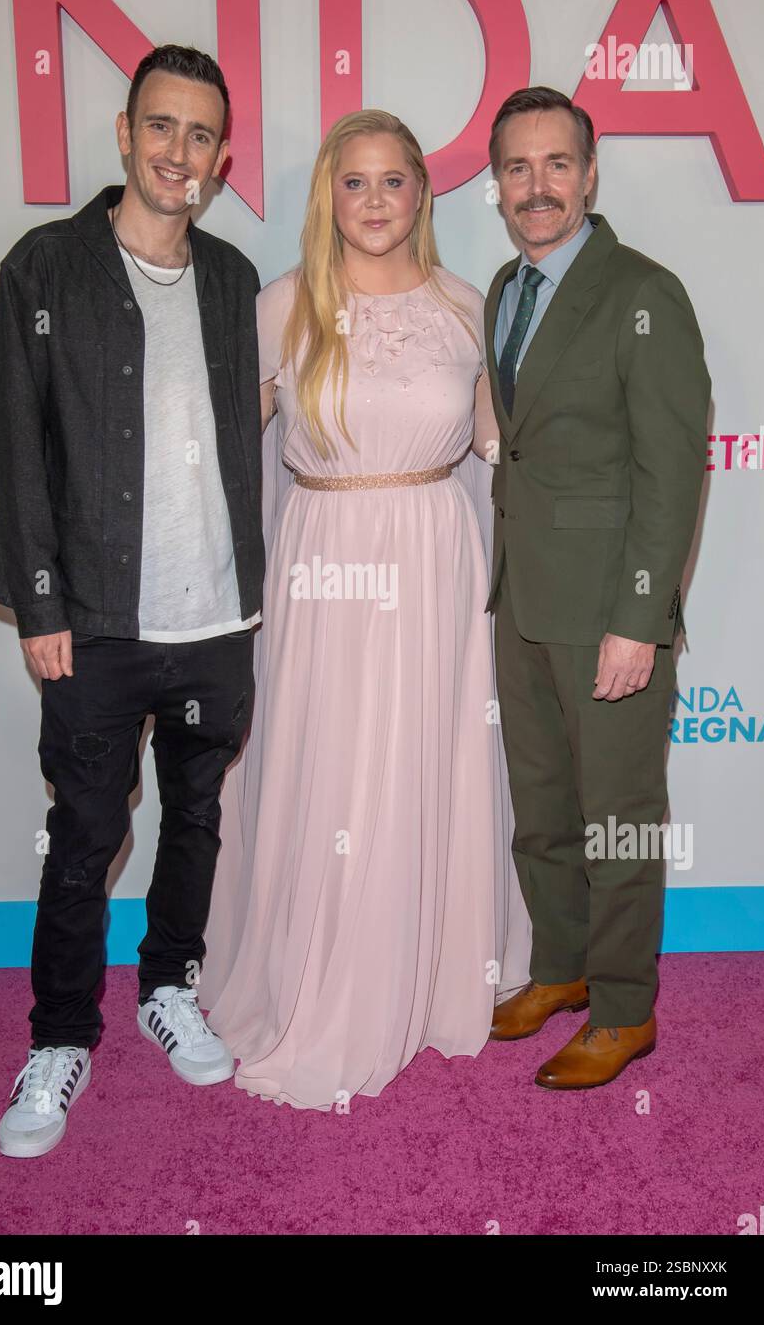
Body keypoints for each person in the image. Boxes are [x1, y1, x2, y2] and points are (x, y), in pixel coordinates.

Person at [205, 109, 531, 1111]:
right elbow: (220, 447)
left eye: (395, 181)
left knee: (426, 757)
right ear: (327, 195)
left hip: (434, 563)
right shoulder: (285, 305)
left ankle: (436, 971)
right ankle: (319, 980)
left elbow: (499, 453)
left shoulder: (468, 304)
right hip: (325, 565)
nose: (376, 200)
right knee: (332, 766)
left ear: (423, 194)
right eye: (355, 182)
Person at [0, 46, 263, 1157]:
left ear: (219, 154)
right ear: (122, 131)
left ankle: (169, 985)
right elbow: (18, 443)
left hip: (214, 620)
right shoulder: (43, 268)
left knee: (195, 818)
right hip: (95, 619)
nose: (177, 152)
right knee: (85, 831)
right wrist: (39, 601)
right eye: (161, 127)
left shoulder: (235, 279)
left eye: (199, 135)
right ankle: (59, 1038)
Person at [483, 87, 710, 1088]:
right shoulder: (504, 287)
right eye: (518, 168)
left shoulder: (641, 290)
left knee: (616, 813)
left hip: (607, 613)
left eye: (556, 164)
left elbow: (672, 470)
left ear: (588, 172)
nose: (538, 186)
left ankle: (624, 1008)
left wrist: (639, 618)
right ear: (496, 184)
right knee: (541, 809)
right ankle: (562, 969)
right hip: (522, 600)